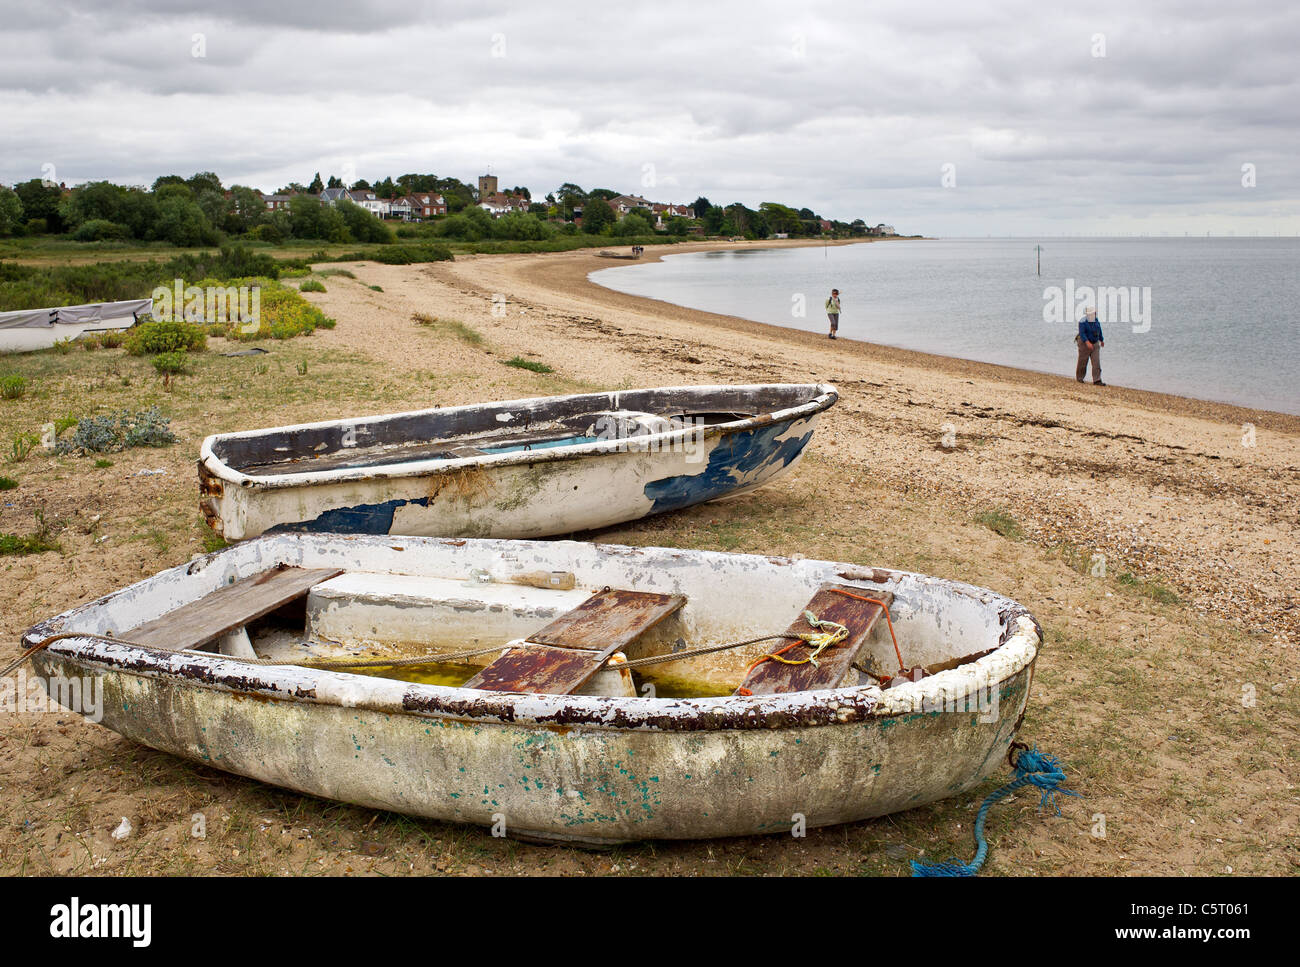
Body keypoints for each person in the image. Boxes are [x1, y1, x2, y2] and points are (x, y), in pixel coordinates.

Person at [1076, 306, 1105, 385]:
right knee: (1083, 361)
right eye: (1090, 314)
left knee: (1096, 362)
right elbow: (1082, 334)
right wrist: (1087, 342)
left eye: (1093, 314)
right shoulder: (1082, 322)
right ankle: (1080, 378)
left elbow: (1099, 331)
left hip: (1095, 343)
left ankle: (1097, 380)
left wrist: (1101, 340)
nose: (1092, 315)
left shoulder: (1096, 321)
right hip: (1084, 343)